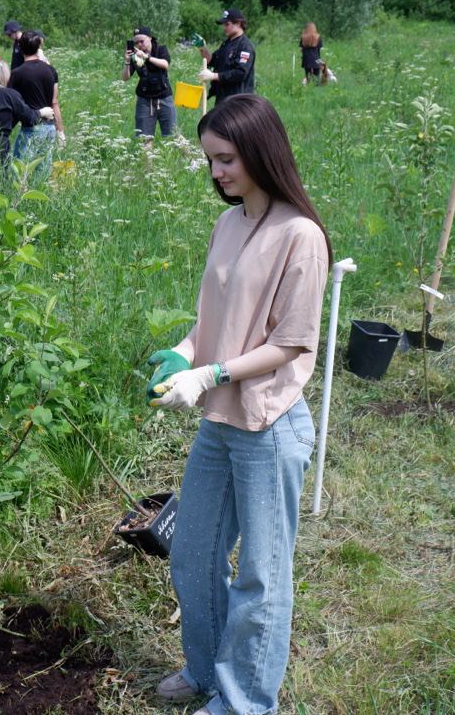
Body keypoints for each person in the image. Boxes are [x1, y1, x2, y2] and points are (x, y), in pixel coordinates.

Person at [145, 93, 331, 715]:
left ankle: (244, 701)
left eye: (226, 159)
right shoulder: (229, 224)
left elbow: (292, 341)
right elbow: (213, 320)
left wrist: (212, 372)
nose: (217, 172)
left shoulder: (299, 235)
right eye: (210, 160)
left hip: (268, 424)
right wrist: (183, 352)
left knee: (261, 576)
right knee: (193, 556)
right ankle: (204, 671)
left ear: (259, 151)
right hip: (220, 420)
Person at [7, 31, 64, 174]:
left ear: (20, 47)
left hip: (30, 129)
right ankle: (40, 196)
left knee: (19, 171)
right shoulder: (51, 70)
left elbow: (11, 104)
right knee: (43, 172)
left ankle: (19, 196)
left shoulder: (17, 73)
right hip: (49, 127)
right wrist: (60, 131)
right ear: (38, 46)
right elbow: (54, 102)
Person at [122, 26, 175, 144]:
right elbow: (125, 78)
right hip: (145, 101)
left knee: (173, 136)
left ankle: (191, 158)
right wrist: (127, 61)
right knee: (145, 139)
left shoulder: (161, 49)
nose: (139, 44)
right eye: (136, 42)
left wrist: (147, 57)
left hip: (164, 98)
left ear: (150, 38)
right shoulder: (134, 55)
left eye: (142, 41)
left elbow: (165, 64)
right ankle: (147, 163)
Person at [199, 8, 256, 103]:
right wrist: (202, 48)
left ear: (238, 24)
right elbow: (211, 60)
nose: (224, 27)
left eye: (227, 24)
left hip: (238, 100)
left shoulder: (245, 46)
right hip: (222, 98)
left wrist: (213, 75)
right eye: (224, 25)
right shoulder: (227, 44)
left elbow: (240, 73)